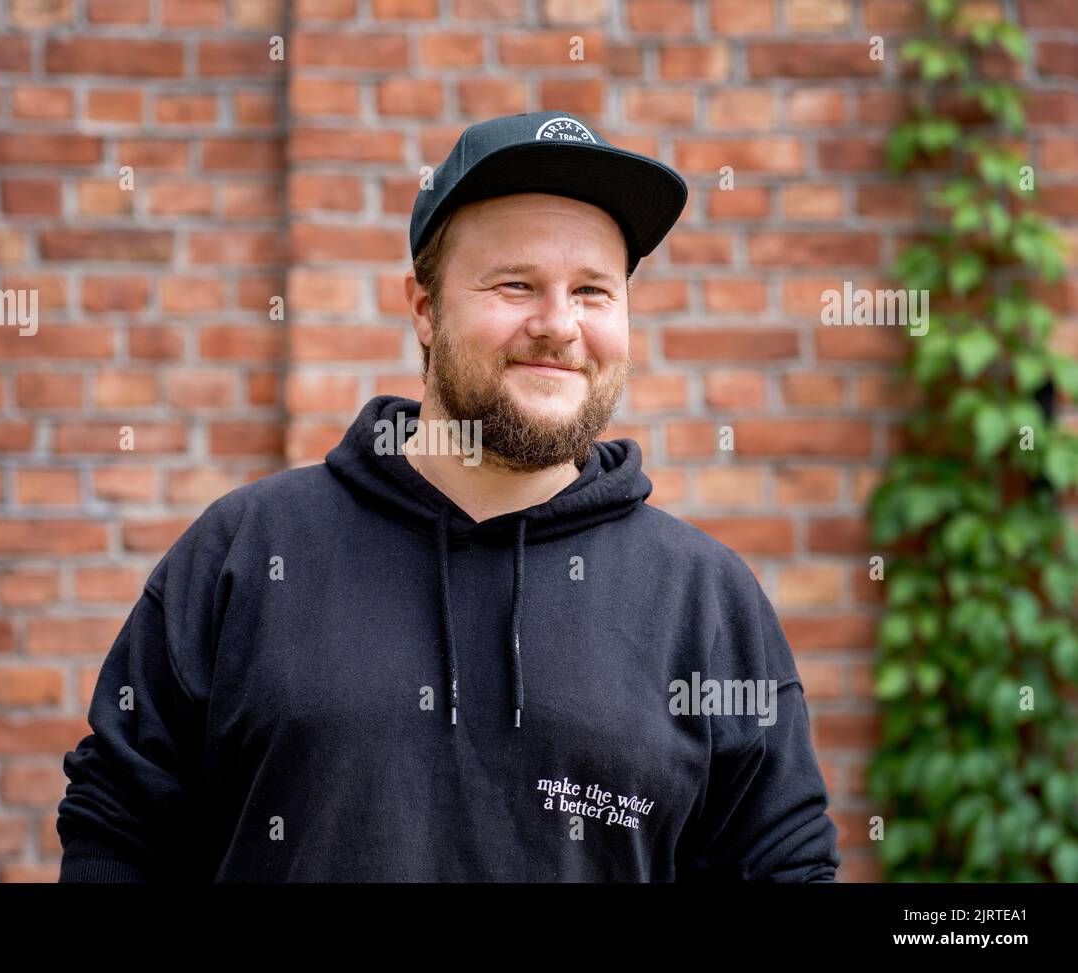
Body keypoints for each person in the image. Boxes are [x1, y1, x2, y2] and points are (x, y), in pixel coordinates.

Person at [56, 110, 841, 882]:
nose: (558, 324)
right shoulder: (248, 551)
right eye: (516, 283)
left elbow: (782, 865)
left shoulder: (704, 600)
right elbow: (117, 824)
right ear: (425, 310)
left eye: (593, 291)